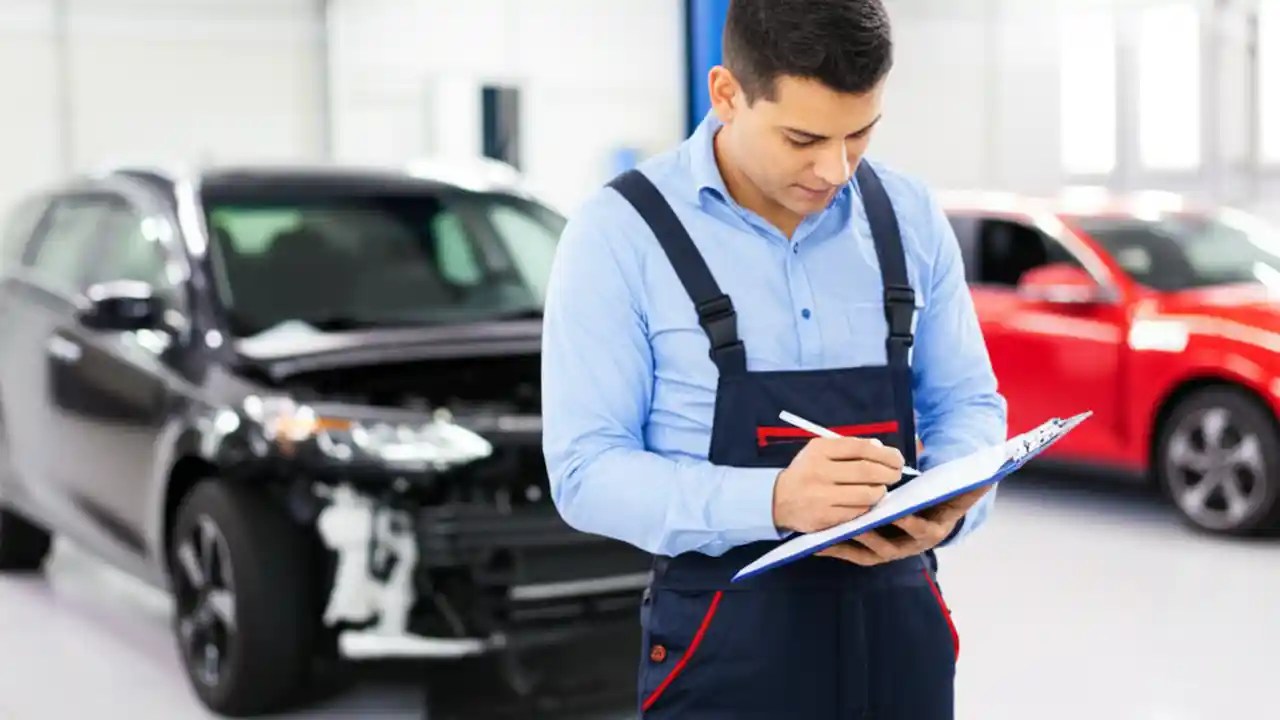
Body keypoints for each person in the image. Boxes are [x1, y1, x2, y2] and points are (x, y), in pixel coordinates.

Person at [540, 0, 1007, 717]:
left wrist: (950, 500)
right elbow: (585, 471)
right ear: (726, 94)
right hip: (724, 654)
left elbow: (967, 404)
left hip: (900, 635)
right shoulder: (618, 234)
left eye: (860, 134)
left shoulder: (910, 215)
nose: (835, 169)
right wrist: (774, 501)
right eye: (803, 138)